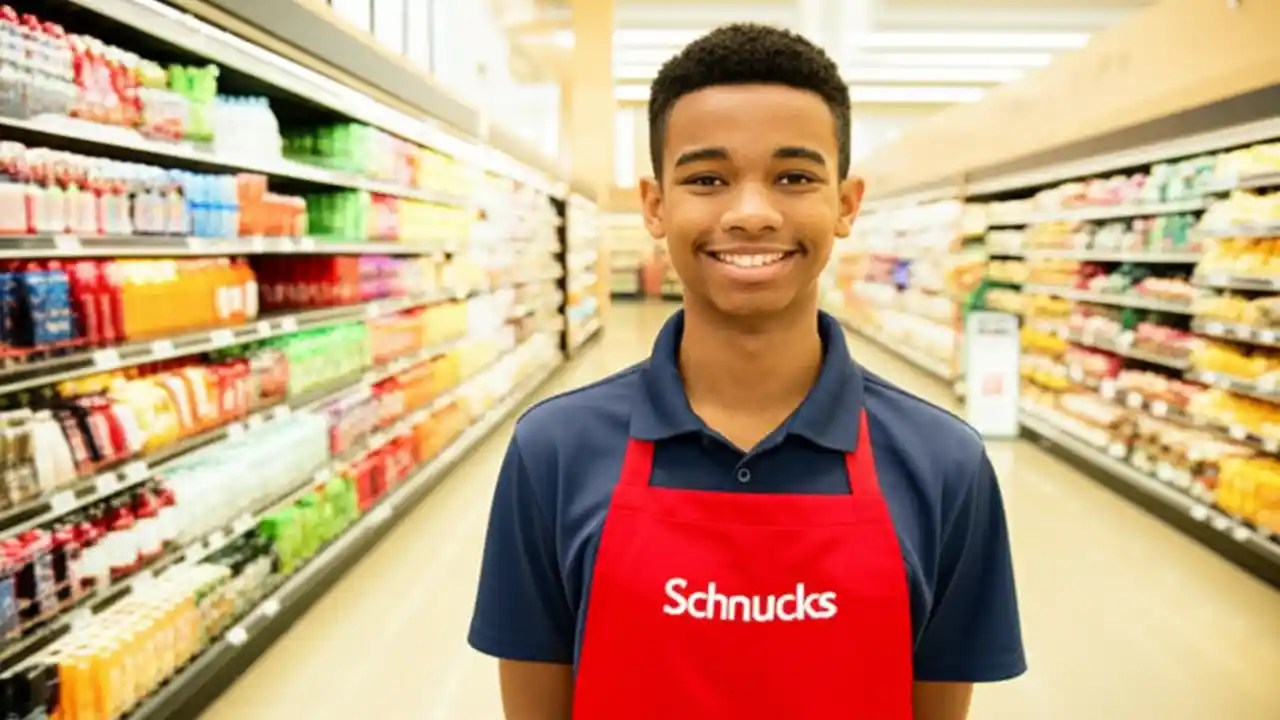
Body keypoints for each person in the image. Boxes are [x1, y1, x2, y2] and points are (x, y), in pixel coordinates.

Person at [468, 23, 1026, 720]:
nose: (752, 213)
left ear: (846, 204)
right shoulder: (553, 450)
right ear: (654, 205)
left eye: (794, 178)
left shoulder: (945, 465)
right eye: (708, 179)